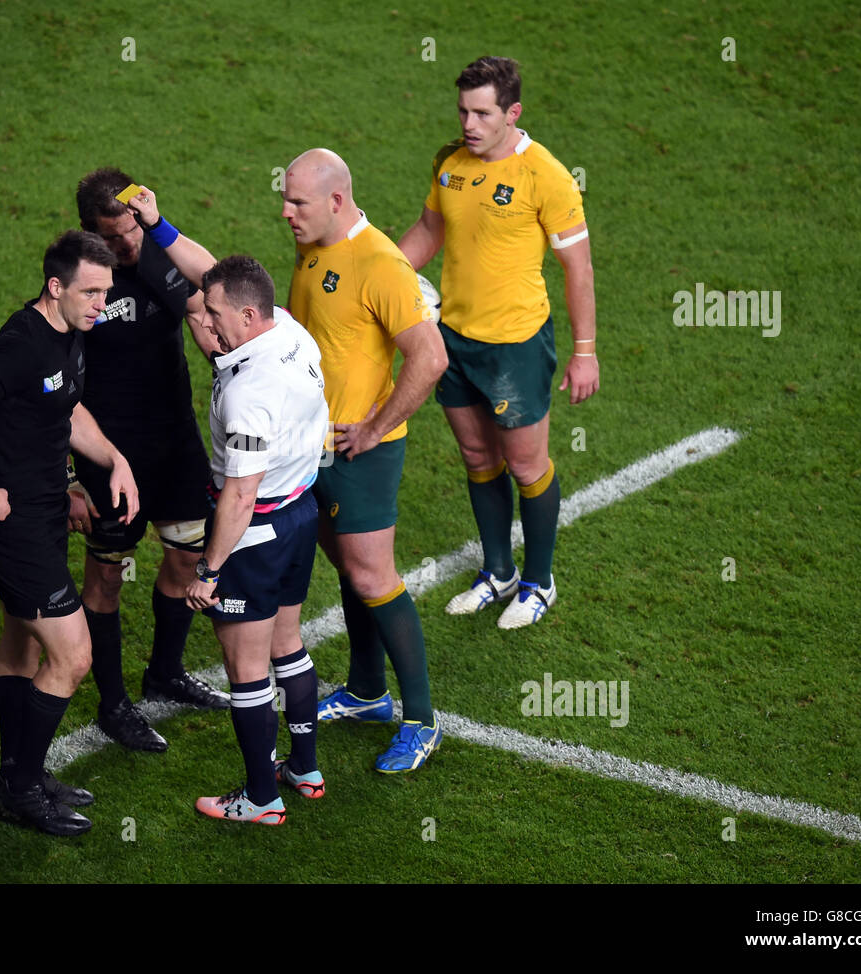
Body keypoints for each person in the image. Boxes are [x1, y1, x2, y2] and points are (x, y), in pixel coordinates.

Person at [0, 231, 140, 838]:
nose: (103, 303)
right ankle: (22, 787)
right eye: (92, 292)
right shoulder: (21, 342)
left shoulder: (71, 334)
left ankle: (18, 774)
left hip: (47, 515)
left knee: (20, 649)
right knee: (72, 656)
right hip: (11, 527)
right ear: (56, 287)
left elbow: (65, 411)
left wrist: (110, 460)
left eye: (107, 291)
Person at [397, 55, 599, 628]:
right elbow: (431, 230)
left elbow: (577, 269)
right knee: (478, 457)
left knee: (526, 464)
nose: (469, 123)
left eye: (482, 113)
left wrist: (585, 354)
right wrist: (380, 279)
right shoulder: (451, 165)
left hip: (515, 345)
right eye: (463, 110)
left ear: (512, 112)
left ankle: (539, 581)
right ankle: (498, 571)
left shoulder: (548, 176)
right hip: (453, 340)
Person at [281, 148, 449, 774]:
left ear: (335, 199)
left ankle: (421, 721)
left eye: (298, 202)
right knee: (350, 568)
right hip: (312, 446)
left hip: (360, 452)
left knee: (374, 576)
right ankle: (366, 692)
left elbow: (429, 357)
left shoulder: (381, 263)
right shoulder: (314, 248)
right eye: (285, 199)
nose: (286, 212)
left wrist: (376, 428)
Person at [67, 168, 229, 755]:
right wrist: (69, 480)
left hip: (174, 442)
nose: (129, 244)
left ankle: (165, 671)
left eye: (134, 228)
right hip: (108, 454)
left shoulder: (160, 255)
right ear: (91, 234)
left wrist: (229, 361)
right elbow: (52, 386)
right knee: (107, 572)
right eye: (114, 236)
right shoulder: (79, 286)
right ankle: (113, 704)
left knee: (189, 555)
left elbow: (207, 299)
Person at [182, 255, 329, 825]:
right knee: (287, 644)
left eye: (214, 314)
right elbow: (208, 276)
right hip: (300, 512)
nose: (206, 323)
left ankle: (261, 799)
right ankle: (305, 768)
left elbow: (240, 497)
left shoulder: (250, 395)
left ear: (247, 313)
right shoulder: (288, 329)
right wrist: (158, 226)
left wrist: (208, 571)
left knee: (245, 667)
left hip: (255, 530)